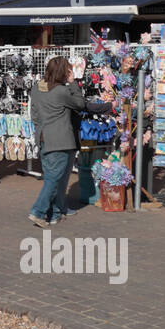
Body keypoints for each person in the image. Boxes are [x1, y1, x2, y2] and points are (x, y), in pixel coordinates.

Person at [28, 56, 112, 228]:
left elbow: (35, 115)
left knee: (54, 177)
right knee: (54, 179)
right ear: (63, 72)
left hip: (44, 137)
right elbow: (80, 104)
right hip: (60, 140)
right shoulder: (61, 91)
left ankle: (56, 212)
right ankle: (38, 211)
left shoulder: (37, 89)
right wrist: (73, 83)